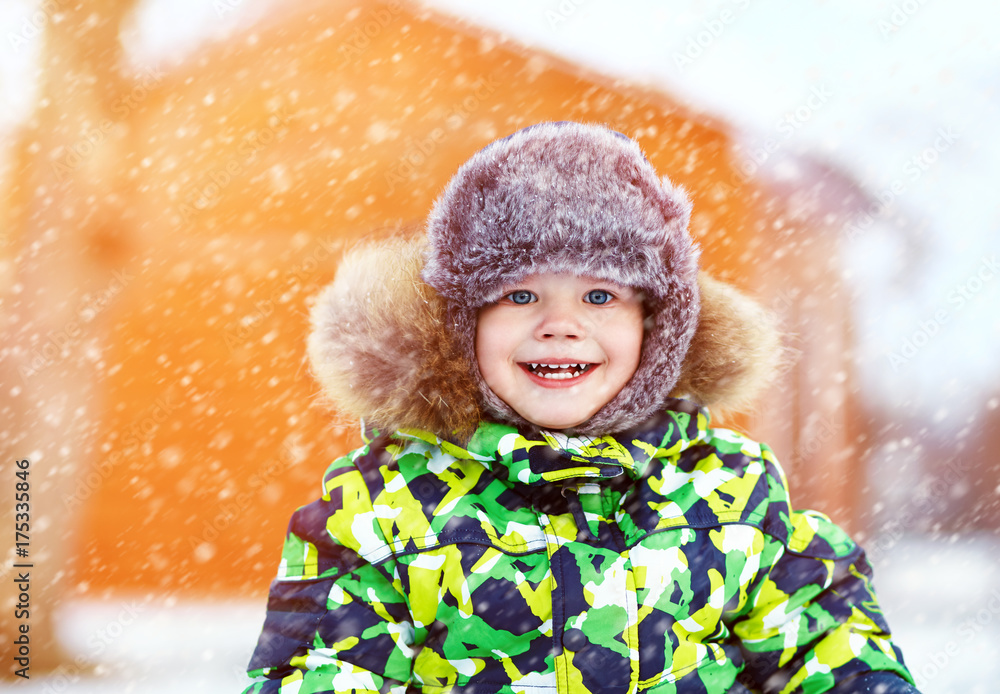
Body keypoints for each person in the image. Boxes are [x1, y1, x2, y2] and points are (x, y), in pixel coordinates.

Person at [242, 122, 920, 693]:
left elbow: (828, 650)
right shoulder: (385, 511)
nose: (560, 324)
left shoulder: (730, 495)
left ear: (659, 325)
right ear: (459, 324)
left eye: (599, 297)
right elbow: (321, 669)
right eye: (518, 295)